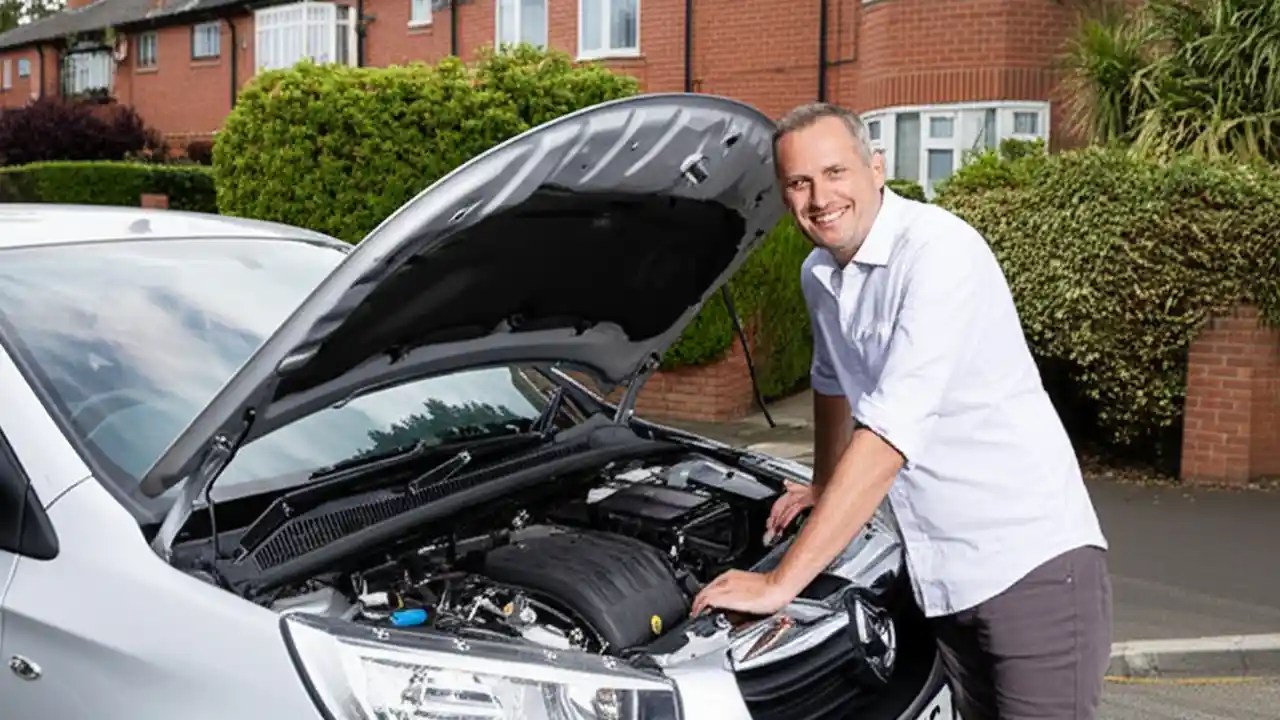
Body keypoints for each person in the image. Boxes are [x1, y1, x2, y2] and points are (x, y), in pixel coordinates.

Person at [689, 102, 1112, 720]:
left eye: (835, 172)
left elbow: (890, 434)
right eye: (799, 183)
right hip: (942, 574)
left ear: (876, 167)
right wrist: (824, 483)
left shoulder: (939, 253)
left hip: (1031, 567)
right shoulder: (819, 275)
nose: (819, 197)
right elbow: (831, 380)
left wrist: (782, 583)